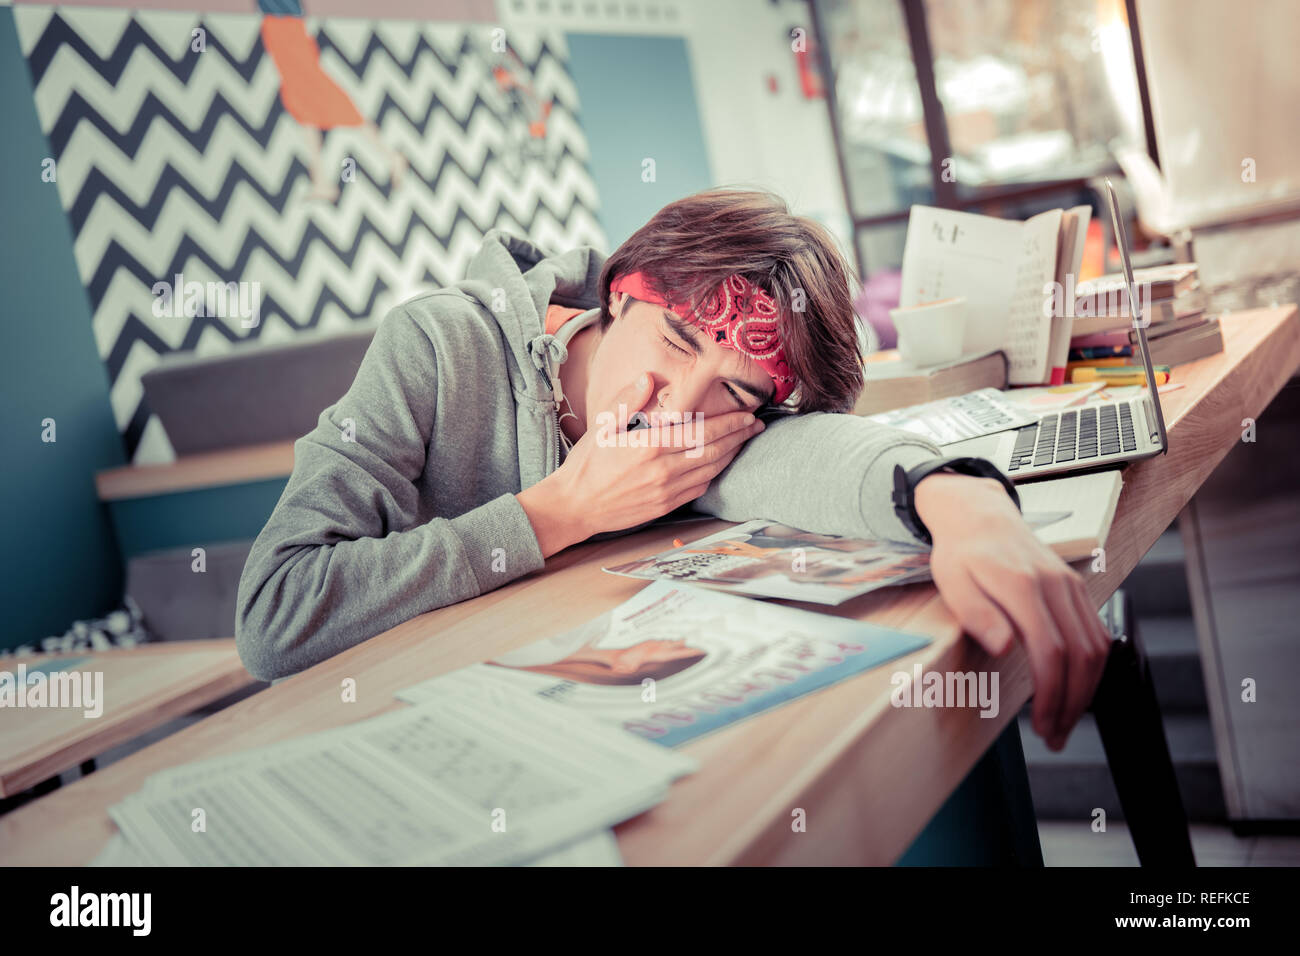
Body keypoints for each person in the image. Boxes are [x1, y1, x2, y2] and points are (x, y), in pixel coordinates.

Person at [235, 188, 1110, 752]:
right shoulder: (436, 344)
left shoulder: (707, 434)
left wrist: (959, 501)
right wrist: (559, 512)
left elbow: (802, 456)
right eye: (677, 338)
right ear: (622, 291)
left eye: (732, 387)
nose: (677, 404)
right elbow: (276, 614)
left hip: (555, 738)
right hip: (363, 738)